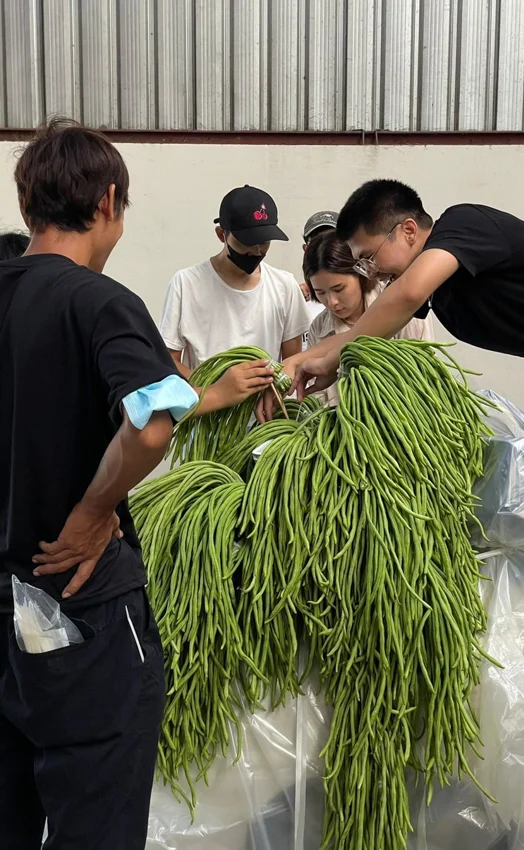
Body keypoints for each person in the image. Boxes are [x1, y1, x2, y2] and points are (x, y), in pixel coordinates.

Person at [0, 119, 273, 850]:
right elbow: (157, 415)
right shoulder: (95, 300)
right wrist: (93, 510)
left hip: (4, 605)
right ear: (109, 199)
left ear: (28, 205)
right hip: (79, 605)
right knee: (96, 822)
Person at [269, 178, 524, 509]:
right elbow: (362, 328)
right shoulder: (442, 289)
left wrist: (334, 360)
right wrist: (295, 364)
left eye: (368, 257)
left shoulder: (465, 224)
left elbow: (407, 294)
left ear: (408, 230)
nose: (372, 272)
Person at [160, 185, 308, 375]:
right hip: (207, 402)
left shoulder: (285, 286)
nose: (256, 251)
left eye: (264, 242)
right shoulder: (186, 284)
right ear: (222, 235)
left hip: (267, 402)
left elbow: (291, 363)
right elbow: (168, 360)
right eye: (247, 242)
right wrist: (215, 392)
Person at [303, 230, 433, 405]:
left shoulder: (401, 307)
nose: (332, 302)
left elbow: (423, 379)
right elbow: (317, 399)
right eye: (321, 293)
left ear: (361, 276)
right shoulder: (318, 329)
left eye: (339, 288)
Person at [299, 210, 337, 347]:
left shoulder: (379, 297)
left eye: (333, 239)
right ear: (305, 248)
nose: (323, 246)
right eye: (321, 292)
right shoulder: (297, 298)